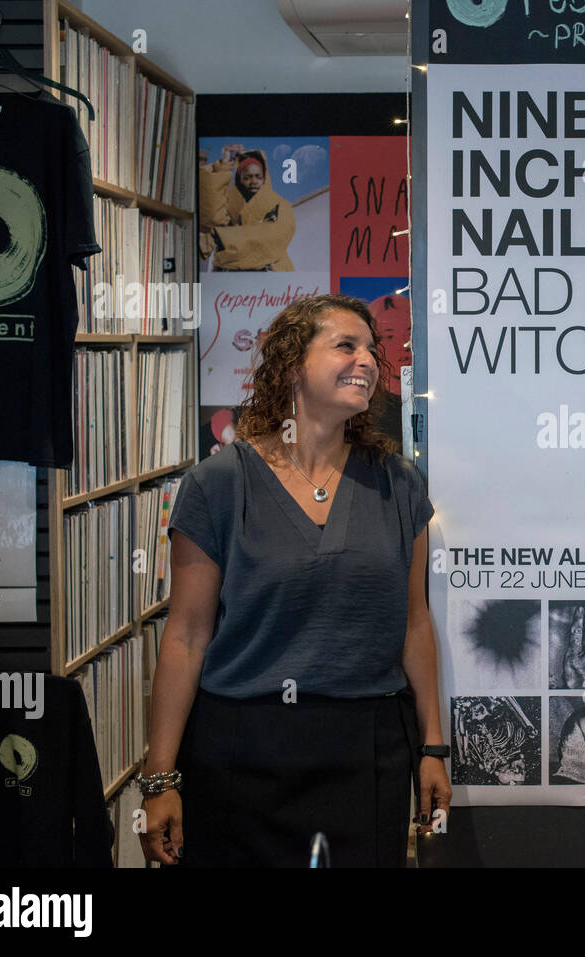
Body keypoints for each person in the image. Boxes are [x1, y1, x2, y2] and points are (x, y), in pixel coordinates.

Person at [138, 293, 449, 867]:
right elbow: (184, 636)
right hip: (242, 753)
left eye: (372, 350)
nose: (366, 360)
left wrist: (432, 747)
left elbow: (414, 622)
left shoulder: (398, 484)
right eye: (345, 345)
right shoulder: (219, 484)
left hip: (367, 753)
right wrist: (160, 779)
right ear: (291, 366)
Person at [198, 145, 296, 271]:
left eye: (258, 177)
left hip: (271, 275)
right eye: (247, 177)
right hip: (230, 278)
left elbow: (273, 238)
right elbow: (210, 219)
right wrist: (224, 165)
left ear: (264, 178)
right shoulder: (231, 204)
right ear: (239, 180)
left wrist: (221, 237)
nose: (253, 181)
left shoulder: (280, 204)